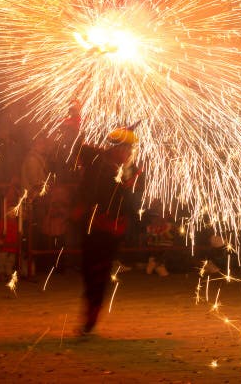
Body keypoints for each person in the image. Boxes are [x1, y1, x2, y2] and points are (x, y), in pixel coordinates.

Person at [74, 126, 143, 335]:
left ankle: (92, 314)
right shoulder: (97, 160)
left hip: (111, 228)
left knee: (99, 272)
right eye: (123, 147)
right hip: (90, 224)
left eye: (129, 148)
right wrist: (76, 120)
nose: (127, 152)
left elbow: (133, 200)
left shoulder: (132, 171)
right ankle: (91, 308)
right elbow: (78, 147)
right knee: (88, 270)